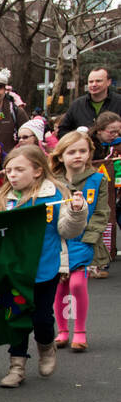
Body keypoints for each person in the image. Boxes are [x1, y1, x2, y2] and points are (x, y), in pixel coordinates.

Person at [0, 146, 87, 388]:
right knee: (16, 317)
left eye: (19, 169)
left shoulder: (56, 194)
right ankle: (16, 366)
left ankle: (46, 348)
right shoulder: (5, 198)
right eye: (9, 170)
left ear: (37, 171)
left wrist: (77, 212)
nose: (12, 174)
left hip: (46, 267)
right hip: (15, 271)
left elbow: (68, 231)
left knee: (42, 319)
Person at [50, 131, 105, 352]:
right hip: (60, 241)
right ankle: (63, 330)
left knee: (77, 283)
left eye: (82, 151)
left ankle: (80, 331)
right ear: (61, 156)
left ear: (90, 153)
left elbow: (102, 212)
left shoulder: (98, 179)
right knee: (60, 285)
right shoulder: (53, 181)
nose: (78, 156)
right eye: (71, 152)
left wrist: (91, 238)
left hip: (84, 241)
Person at [88, 111, 121, 277]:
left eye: (118, 132)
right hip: (88, 189)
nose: (115, 135)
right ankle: (93, 263)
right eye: (112, 131)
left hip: (105, 188)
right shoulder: (89, 143)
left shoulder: (110, 145)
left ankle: (100, 261)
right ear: (99, 129)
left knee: (106, 221)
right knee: (95, 223)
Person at [56, 67, 121, 138]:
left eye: (98, 81)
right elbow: (62, 131)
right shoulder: (77, 105)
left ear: (109, 82)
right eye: (91, 82)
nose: (94, 84)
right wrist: (77, 139)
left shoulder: (118, 102)